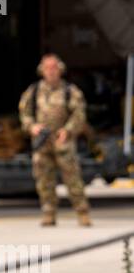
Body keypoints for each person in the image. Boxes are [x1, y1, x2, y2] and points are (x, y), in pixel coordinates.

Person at [18, 55, 91, 226]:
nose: (51, 71)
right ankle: (49, 212)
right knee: (44, 180)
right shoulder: (34, 91)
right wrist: (32, 127)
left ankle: (82, 212)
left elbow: (79, 113)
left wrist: (68, 130)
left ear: (60, 70)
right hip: (42, 141)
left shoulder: (70, 91)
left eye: (54, 68)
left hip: (62, 140)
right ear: (41, 70)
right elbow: (24, 113)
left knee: (73, 178)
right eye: (47, 68)